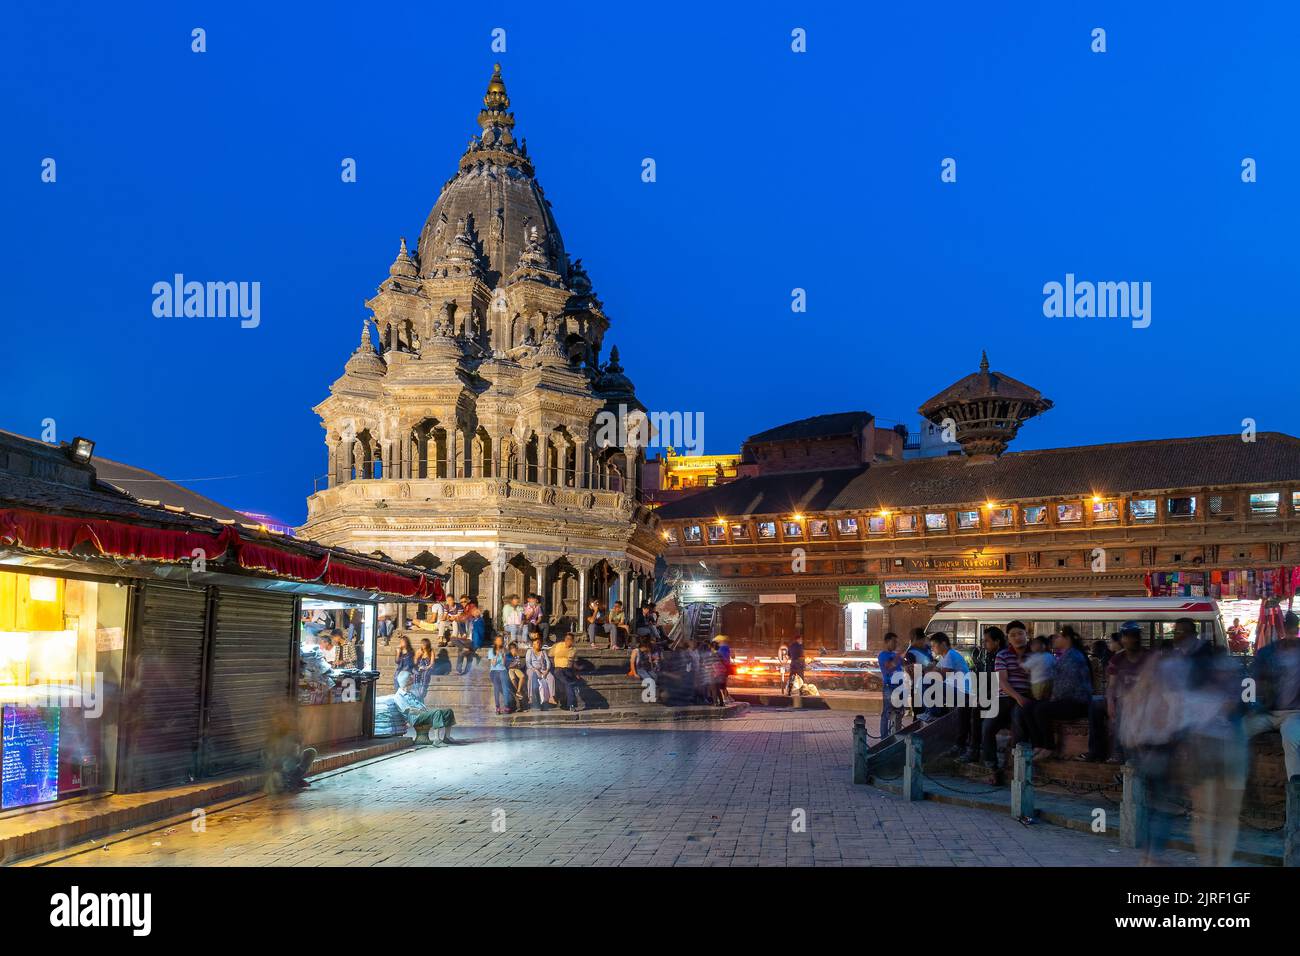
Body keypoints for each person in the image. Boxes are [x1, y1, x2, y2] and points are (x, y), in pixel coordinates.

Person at [1081, 620, 1148, 762]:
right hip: (1121, 698)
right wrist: (1110, 701)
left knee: (1123, 706)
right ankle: (1096, 751)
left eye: (1133, 636)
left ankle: (1119, 753)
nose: (1131, 640)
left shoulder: (1149, 656)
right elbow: (1112, 686)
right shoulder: (1118, 659)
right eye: (1127, 636)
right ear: (1122, 639)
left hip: (1144, 700)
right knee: (1095, 704)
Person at [1246, 610, 1300, 777]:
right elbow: (1254, 680)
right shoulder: (1267, 653)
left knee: (1291, 739)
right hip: (1268, 712)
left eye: (1292, 629)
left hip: (1295, 713)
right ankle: (1235, 783)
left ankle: (1295, 785)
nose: (1289, 633)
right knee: (1238, 730)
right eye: (1287, 628)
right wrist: (1253, 705)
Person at [1026, 630, 1092, 760]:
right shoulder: (1065, 655)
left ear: (1067, 639)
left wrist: (1053, 697)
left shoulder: (1074, 657)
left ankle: (1048, 747)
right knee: (1028, 708)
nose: (1055, 639)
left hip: (1076, 702)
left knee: (1041, 709)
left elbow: (1068, 684)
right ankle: (1037, 745)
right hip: (1065, 699)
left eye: (1058, 637)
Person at [981, 620, 1033, 772]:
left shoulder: (1034, 655)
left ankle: (1017, 765)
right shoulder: (1002, 655)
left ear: (1026, 635)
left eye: (1020, 634)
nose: (1017, 638)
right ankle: (992, 766)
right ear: (1008, 638)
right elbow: (1002, 681)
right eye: (1013, 635)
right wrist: (1017, 697)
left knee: (1018, 723)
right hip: (1005, 697)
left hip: (1026, 696)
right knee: (987, 727)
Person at [960, 627, 1005, 762]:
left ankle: (974, 750)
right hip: (990, 694)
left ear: (997, 641)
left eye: (987, 641)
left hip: (1002, 696)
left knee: (976, 710)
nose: (984, 644)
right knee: (964, 707)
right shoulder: (989, 656)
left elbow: (999, 682)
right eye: (983, 641)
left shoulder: (1002, 655)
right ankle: (964, 745)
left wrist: (984, 696)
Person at [393, 670, 457, 745]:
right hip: (415, 718)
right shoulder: (399, 696)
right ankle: (437, 739)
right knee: (437, 712)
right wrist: (422, 711)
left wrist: (425, 710)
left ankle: (447, 737)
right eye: (411, 679)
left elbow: (420, 703)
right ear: (407, 681)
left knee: (448, 711)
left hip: (422, 713)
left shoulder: (410, 693)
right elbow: (409, 711)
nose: (413, 681)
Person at [930, 632, 971, 741]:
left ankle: (934, 712)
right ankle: (934, 712)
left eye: (934, 645)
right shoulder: (944, 657)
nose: (932, 648)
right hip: (956, 690)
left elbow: (941, 676)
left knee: (932, 684)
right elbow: (933, 671)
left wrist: (931, 672)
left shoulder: (950, 655)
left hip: (963, 692)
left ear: (943, 644)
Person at [876, 632, 905, 738]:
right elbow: (889, 667)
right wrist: (898, 655)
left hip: (899, 687)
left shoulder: (895, 655)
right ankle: (884, 737)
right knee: (887, 712)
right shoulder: (883, 655)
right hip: (889, 686)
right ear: (887, 642)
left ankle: (896, 734)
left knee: (899, 712)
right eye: (894, 642)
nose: (895, 644)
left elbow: (904, 665)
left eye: (896, 642)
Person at [552, 632, 582, 711]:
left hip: (568, 670)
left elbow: (574, 662)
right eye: (566, 638)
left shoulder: (574, 650)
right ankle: (571, 704)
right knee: (568, 683)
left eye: (570, 639)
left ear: (572, 641)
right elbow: (553, 655)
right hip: (558, 669)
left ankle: (568, 703)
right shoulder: (559, 645)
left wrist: (576, 672)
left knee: (568, 684)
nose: (567, 640)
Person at [1023, 635, 1055, 701]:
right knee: (1047, 699)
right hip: (1050, 681)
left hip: (1037, 683)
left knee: (1038, 699)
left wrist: (1020, 662)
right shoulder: (1050, 655)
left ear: (1043, 645)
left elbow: (1026, 666)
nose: (1032, 646)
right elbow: (1055, 666)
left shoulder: (1034, 657)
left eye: (1034, 644)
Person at [525, 636, 553, 712]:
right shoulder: (530, 651)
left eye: (540, 643)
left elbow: (548, 662)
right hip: (532, 669)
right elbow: (528, 663)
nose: (539, 644)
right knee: (530, 676)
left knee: (551, 677)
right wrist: (535, 670)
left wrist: (547, 670)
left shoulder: (543, 651)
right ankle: (530, 697)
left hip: (542, 669)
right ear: (533, 645)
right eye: (537, 643)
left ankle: (551, 697)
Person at [487, 636, 513, 714]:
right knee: (496, 688)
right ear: (495, 642)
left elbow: (504, 664)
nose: (500, 642)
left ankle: (506, 706)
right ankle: (497, 707)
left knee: (505, 687)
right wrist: (497, 655)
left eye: (501, 640)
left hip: (503, 670)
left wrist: (503, 655)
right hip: (494, 671)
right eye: (498, 640)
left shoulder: (505, 651)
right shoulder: (491, 651)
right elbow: (493, 664)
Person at [506, 641, 528, 708]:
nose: (515, 650)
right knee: (513, 678)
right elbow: (509, 665)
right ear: (510, 650)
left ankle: (518, 691)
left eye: (515, 649)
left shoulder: (517, 656)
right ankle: (517, 691)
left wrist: (517, 663)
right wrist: (515, 663)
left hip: (517, 669)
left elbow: (519, 665)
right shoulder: (508, 656)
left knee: (522, 676)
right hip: (510, 670)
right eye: (513, 649)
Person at [713, 635, 733, 705]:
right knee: (723, 685)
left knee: (721, 685)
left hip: (719, 670)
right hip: (725, 669)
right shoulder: (727, 648)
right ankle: (727, 697)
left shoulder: (720, 650)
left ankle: (725, 698)